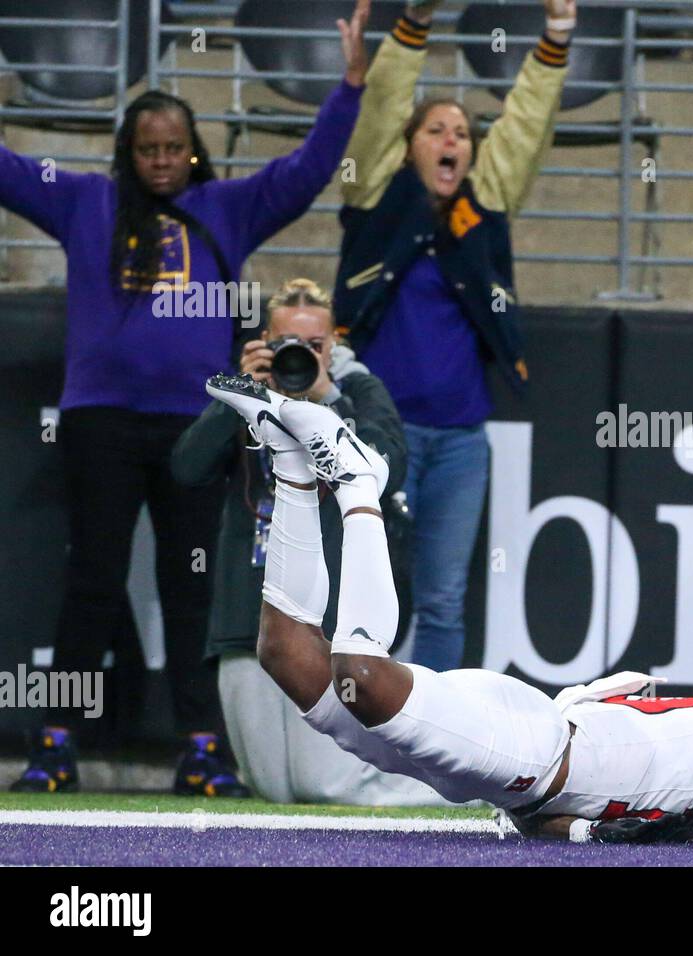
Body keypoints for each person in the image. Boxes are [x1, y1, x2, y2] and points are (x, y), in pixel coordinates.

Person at [5, 1, 373, 795]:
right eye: (148, 150)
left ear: (194, 151)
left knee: (190, 587)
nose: (162, 161)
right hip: (99, 420)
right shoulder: (83, 202)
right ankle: (56, 744)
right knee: (92, 582)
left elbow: (306, 172)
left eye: (175, 148)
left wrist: (348, 87)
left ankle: (202, 747)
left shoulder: (226, 209)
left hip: (195, 429)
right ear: (127, 152)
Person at [202, 371, 693, 841]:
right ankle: (360, 480)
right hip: (535, 750)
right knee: (364, 676)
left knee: (286, 653)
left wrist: (586, 832)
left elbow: (546, 822)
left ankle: (290, 463)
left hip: (519, 781)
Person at [331, 0, 574, 672]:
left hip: (463, 443)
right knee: (367, 594)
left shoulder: (484, 205)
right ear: (407, 147)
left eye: (463, 132)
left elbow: (524, 126)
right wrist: (413, 22)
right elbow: (380, 108)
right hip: (381, 438)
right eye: (435, 129)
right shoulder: (376, 197)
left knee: (441, 599)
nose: (452, 141)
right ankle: (356, 743)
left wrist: (555, 38)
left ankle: (431, 757)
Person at [171, 278, 444, 805]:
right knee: (273, 788)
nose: (300, 355)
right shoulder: (245, 395)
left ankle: (460, 789)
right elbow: (186, 469)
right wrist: (237, 395)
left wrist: (326, 395)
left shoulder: (359, 393)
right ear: (264, 342)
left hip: (332, 622)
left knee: (327, 785)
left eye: (315, 346)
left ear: (333, 346)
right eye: (286, 344)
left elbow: (391, 465)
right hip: (246, 615)